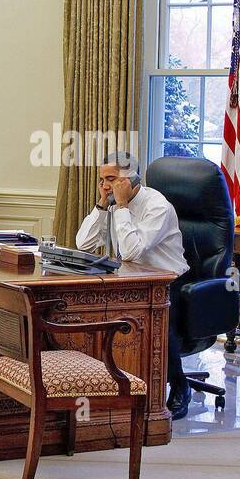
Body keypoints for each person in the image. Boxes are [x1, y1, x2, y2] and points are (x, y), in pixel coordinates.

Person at [75, 151, 194, 419]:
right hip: (129, 277)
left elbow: (130, 251)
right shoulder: (114, 203)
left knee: (158, 326)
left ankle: (179, 386)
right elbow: (83, 244)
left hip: (168, 280)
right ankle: (114, 382)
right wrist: (103, 205)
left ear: (129, 180)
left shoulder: (157, 207)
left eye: (111, 179)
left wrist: (123, 207)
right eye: (101, 180)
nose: (105, 185)